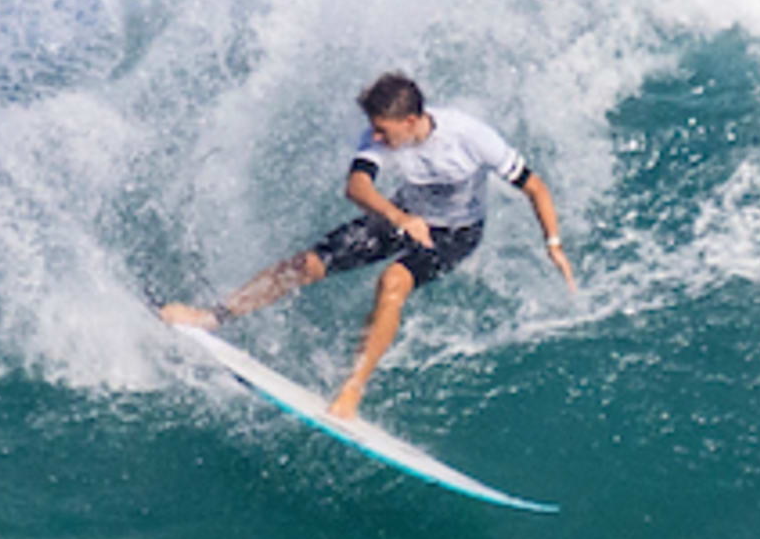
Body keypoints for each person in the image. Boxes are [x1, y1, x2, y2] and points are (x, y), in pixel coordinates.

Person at [160, 72, 576, 418]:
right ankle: (213, 316)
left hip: (454, 234)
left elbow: (534, 187)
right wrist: (399, 218)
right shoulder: (377, 137)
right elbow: (356, 186)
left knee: (393, 282)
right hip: (401, 215)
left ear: (412, 120)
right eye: (374, 127)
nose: (375, 135)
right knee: (307, 264)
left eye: (384, 129)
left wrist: (553, 243)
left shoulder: (471, 137)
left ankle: (353, 389)